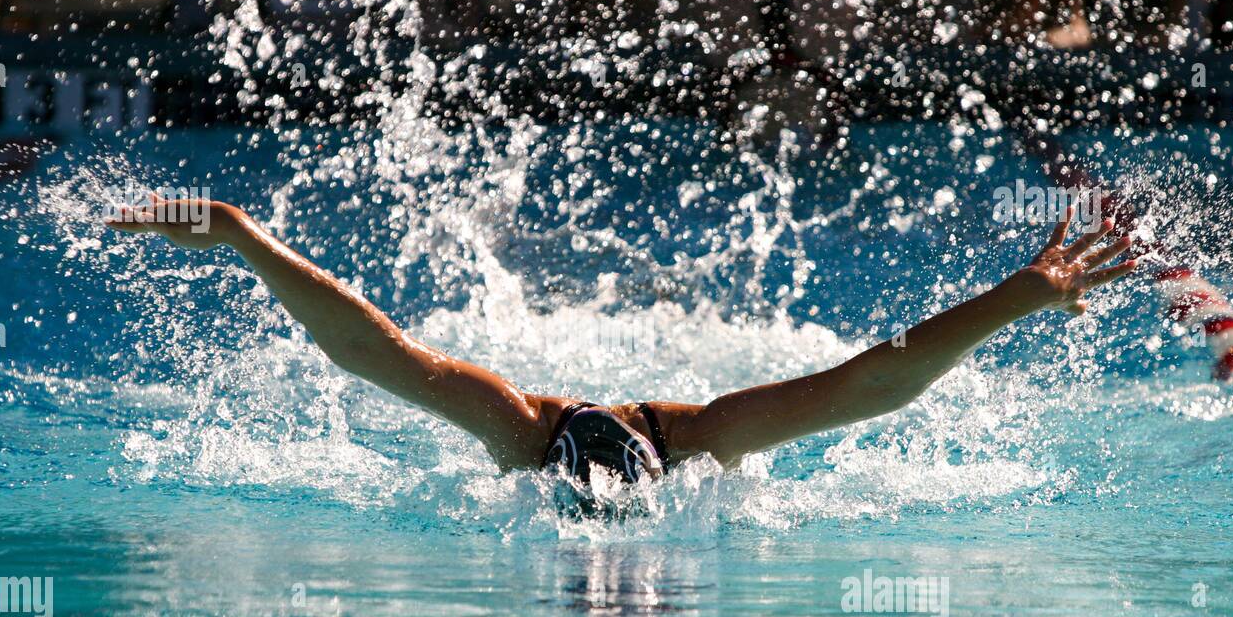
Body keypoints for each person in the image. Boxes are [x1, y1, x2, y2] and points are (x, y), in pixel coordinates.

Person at [104, 197, 1135, 488]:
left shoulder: (706, 434)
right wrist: (239, 233)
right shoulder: (513, 427)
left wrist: (1022, 292)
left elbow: (874, 379)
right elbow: (369, 348)